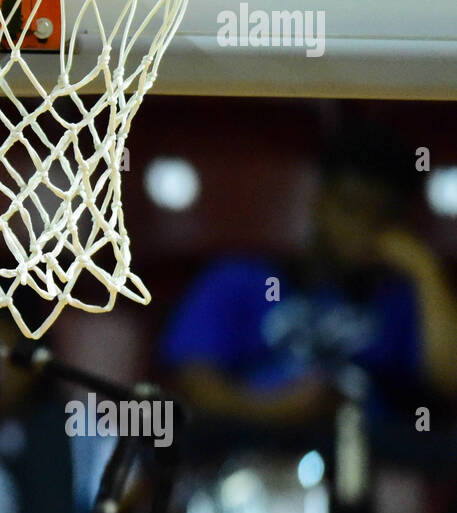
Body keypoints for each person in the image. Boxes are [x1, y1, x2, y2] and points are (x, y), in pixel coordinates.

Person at [159, 120, 457, 462]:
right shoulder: (239, 279)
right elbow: (197, 389)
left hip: (369, 469)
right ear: (320, 203)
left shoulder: (403, 299)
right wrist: (279, 410)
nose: (362, 229)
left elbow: (450, 383)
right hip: (252, 463)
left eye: (381, 217)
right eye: (351, 208)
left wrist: (427, 271)